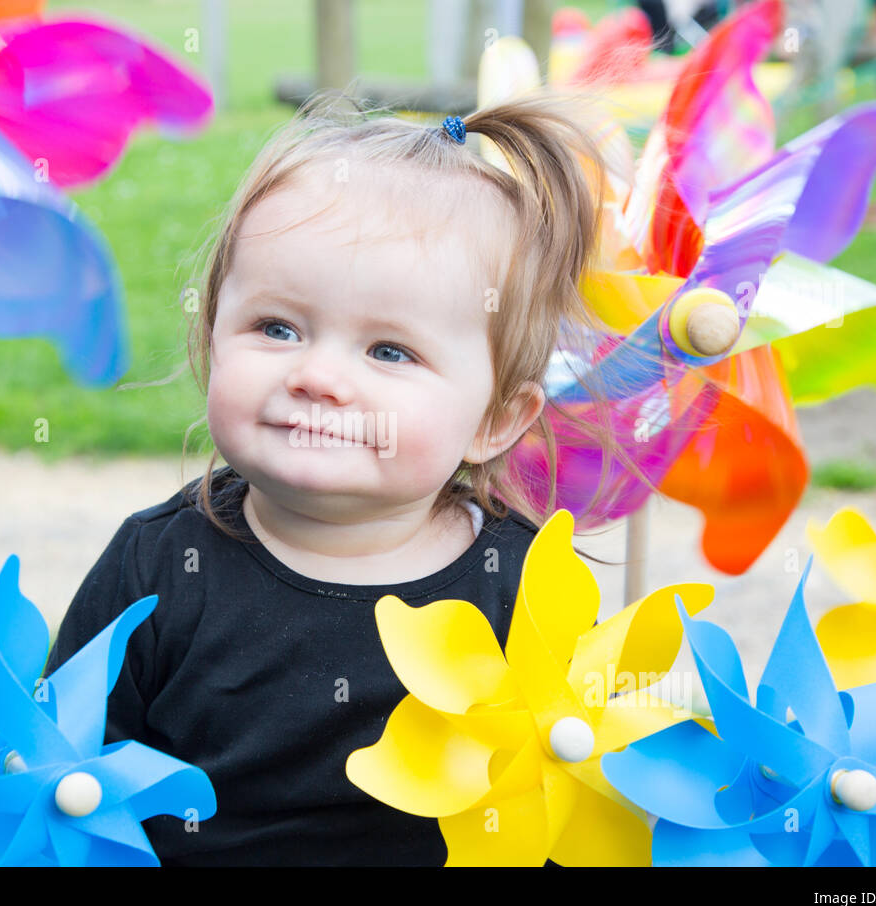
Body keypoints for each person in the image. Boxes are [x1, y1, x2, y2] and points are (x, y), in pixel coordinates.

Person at [44, 88, 627, 865]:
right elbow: (60, 783)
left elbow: (578, 796)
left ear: (495, 419)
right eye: (275, 328)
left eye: (389, 351)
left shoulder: (525, 587)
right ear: (212, 334)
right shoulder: (157, 567)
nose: (317, 375)